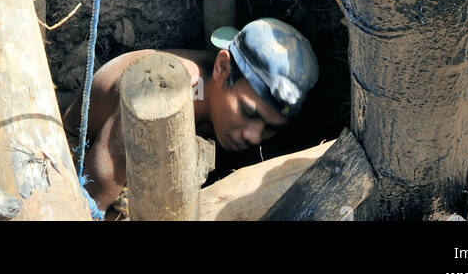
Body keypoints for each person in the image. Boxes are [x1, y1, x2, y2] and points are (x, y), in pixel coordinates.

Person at [61, 18, 319, 215]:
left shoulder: (214, 93)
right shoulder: (166, 91)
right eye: (248, 112)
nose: (254, 136)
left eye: (270, 128)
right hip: (72, 159)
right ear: (222, 67)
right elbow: (95, 189)